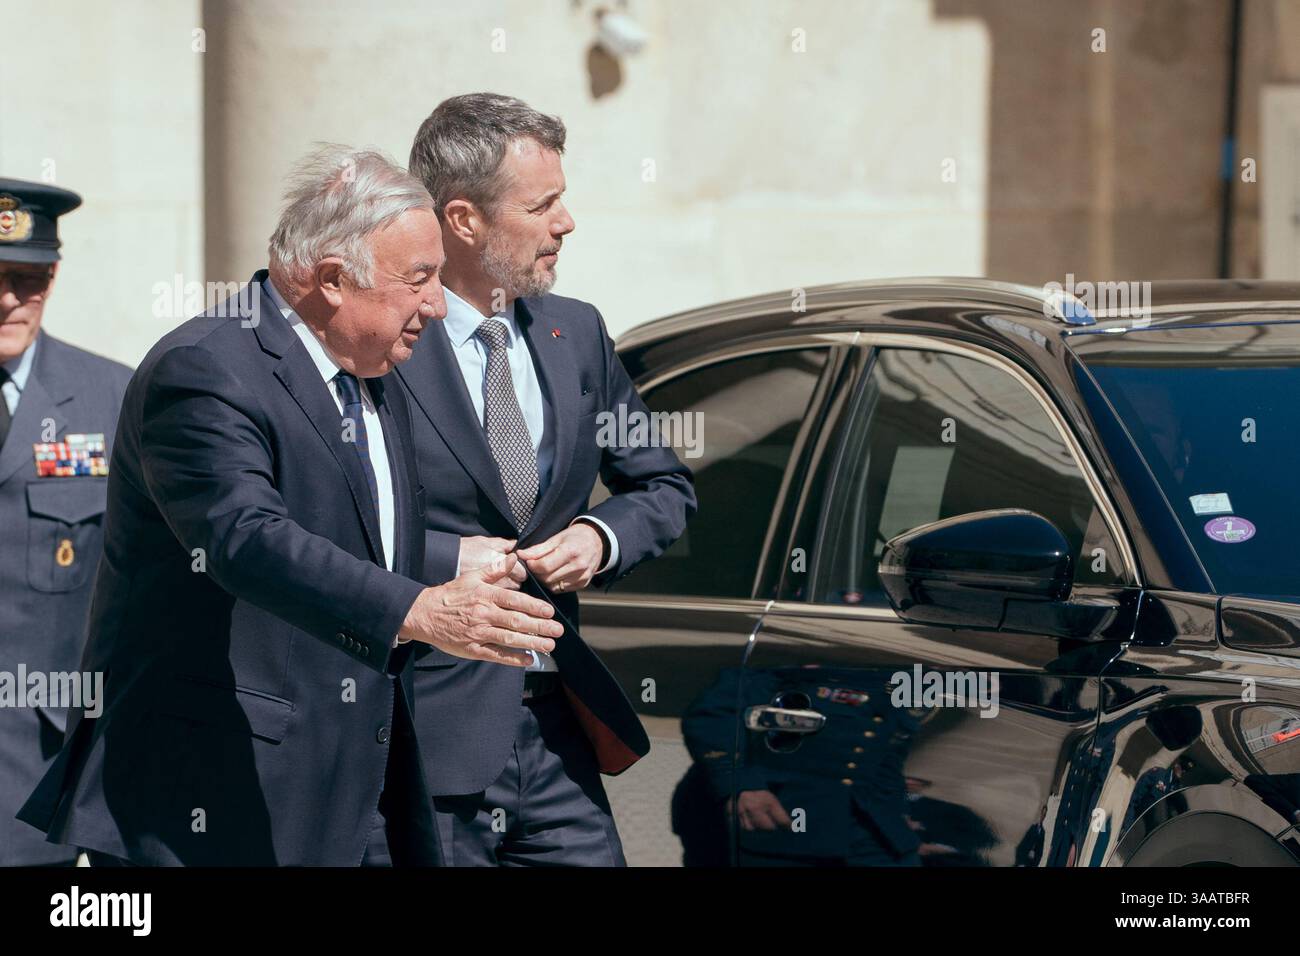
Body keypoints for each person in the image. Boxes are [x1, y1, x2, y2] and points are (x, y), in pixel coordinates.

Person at [17, 144, 563, 866]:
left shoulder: (371, 364)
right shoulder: (207, 368)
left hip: (354, 779)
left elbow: (346, 529)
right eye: (420, 279)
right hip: (213, 789)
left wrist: (447, 564)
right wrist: (416, 609)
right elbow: (245, 539)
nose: (437, 304)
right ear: (333, 280)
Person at [401, 93, 696, 865]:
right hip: (423, 736)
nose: (566, 223)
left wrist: (600, 538)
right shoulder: (388, 341)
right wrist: (446, 559)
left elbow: (664, 487)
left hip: (558, 724)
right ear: (462, 220)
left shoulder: (578, 333)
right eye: (544, 204)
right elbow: (327, 516)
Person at [0, 178, 132, 865]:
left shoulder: (113, 398)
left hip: (51, 764)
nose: (8, 299)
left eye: (29, 279)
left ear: (53, 276)